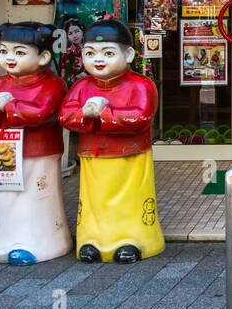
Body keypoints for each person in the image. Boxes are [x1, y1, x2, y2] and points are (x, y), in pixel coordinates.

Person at [59, 19, 164, 264]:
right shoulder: (82, 86)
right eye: (90, 53)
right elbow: (65, 116)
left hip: (129, 156)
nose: (99, 60)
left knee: (128, 198)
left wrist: (105, 113)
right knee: (95, 200)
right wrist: (86, 113)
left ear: (128, 55)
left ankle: (132, 239)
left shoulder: (140, 85)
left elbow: (141, 117)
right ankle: (92, 240)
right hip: (93, 156)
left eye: (108, 53)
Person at [0, 22, 72, 265]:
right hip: (3, 150)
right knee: (1, 199)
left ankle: (37, 242)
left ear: (44, 56)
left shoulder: (52, 84)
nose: (9, 58)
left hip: (38, 153)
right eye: (4, 51)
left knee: (32, 199)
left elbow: (41, 112)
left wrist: (9, 106)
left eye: (20, 52)